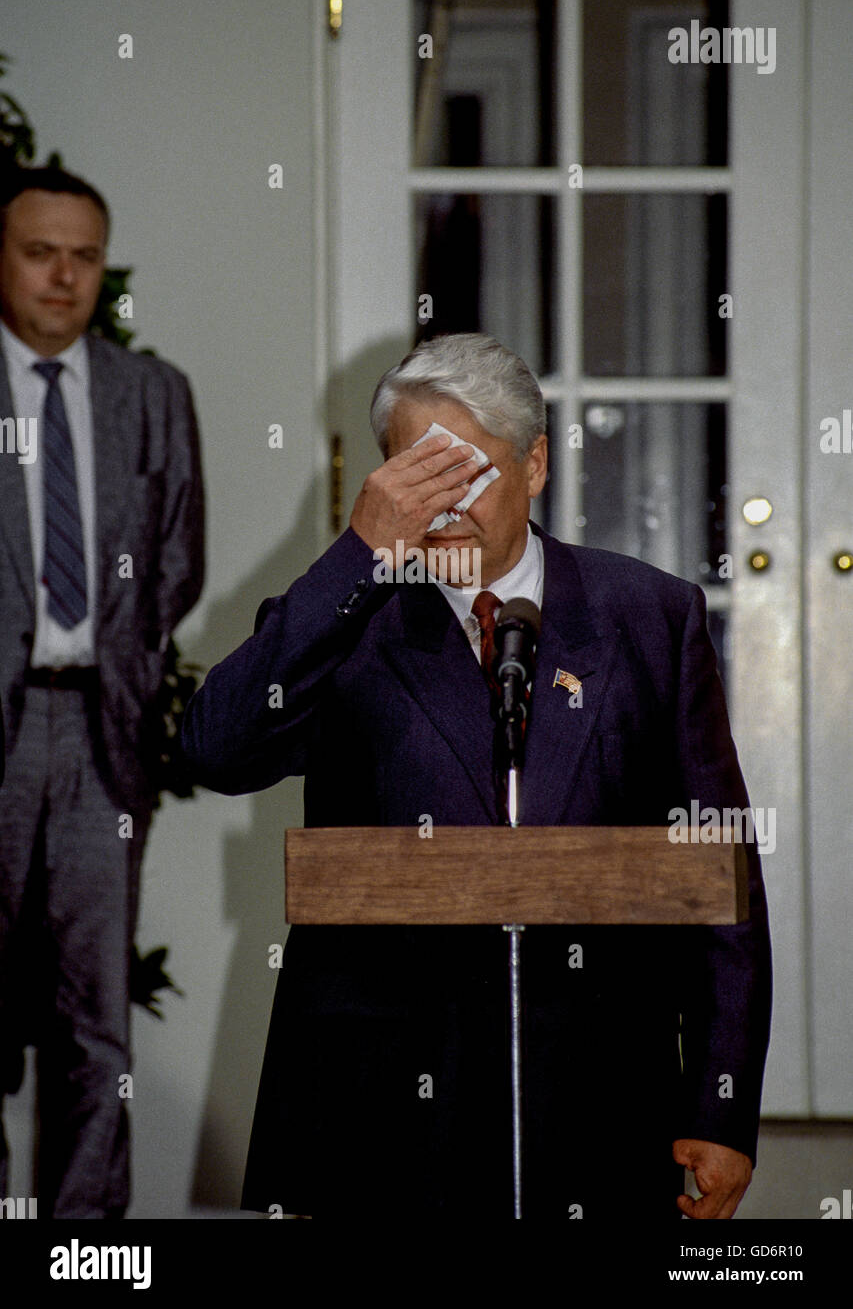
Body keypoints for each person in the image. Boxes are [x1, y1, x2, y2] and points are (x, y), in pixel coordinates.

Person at [181, 332, 771, 1220]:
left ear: (534, 465)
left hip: (598, 1091)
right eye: (417, 476)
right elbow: (213, 752)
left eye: (470, 471)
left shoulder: (647, 614)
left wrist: (721, 1103)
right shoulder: (347, 617)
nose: (446, 504)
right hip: (386, 1106)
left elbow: (717, 871)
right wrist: (359, 558)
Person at [0, 165, 205, 1217]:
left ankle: (84, 1247)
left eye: (84, 254)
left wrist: (120, 664)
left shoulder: (151, 394)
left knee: (97, 1020)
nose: (63, 275)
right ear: (3, 257)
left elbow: (177, 563)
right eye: (41, 251)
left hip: (100, 734)